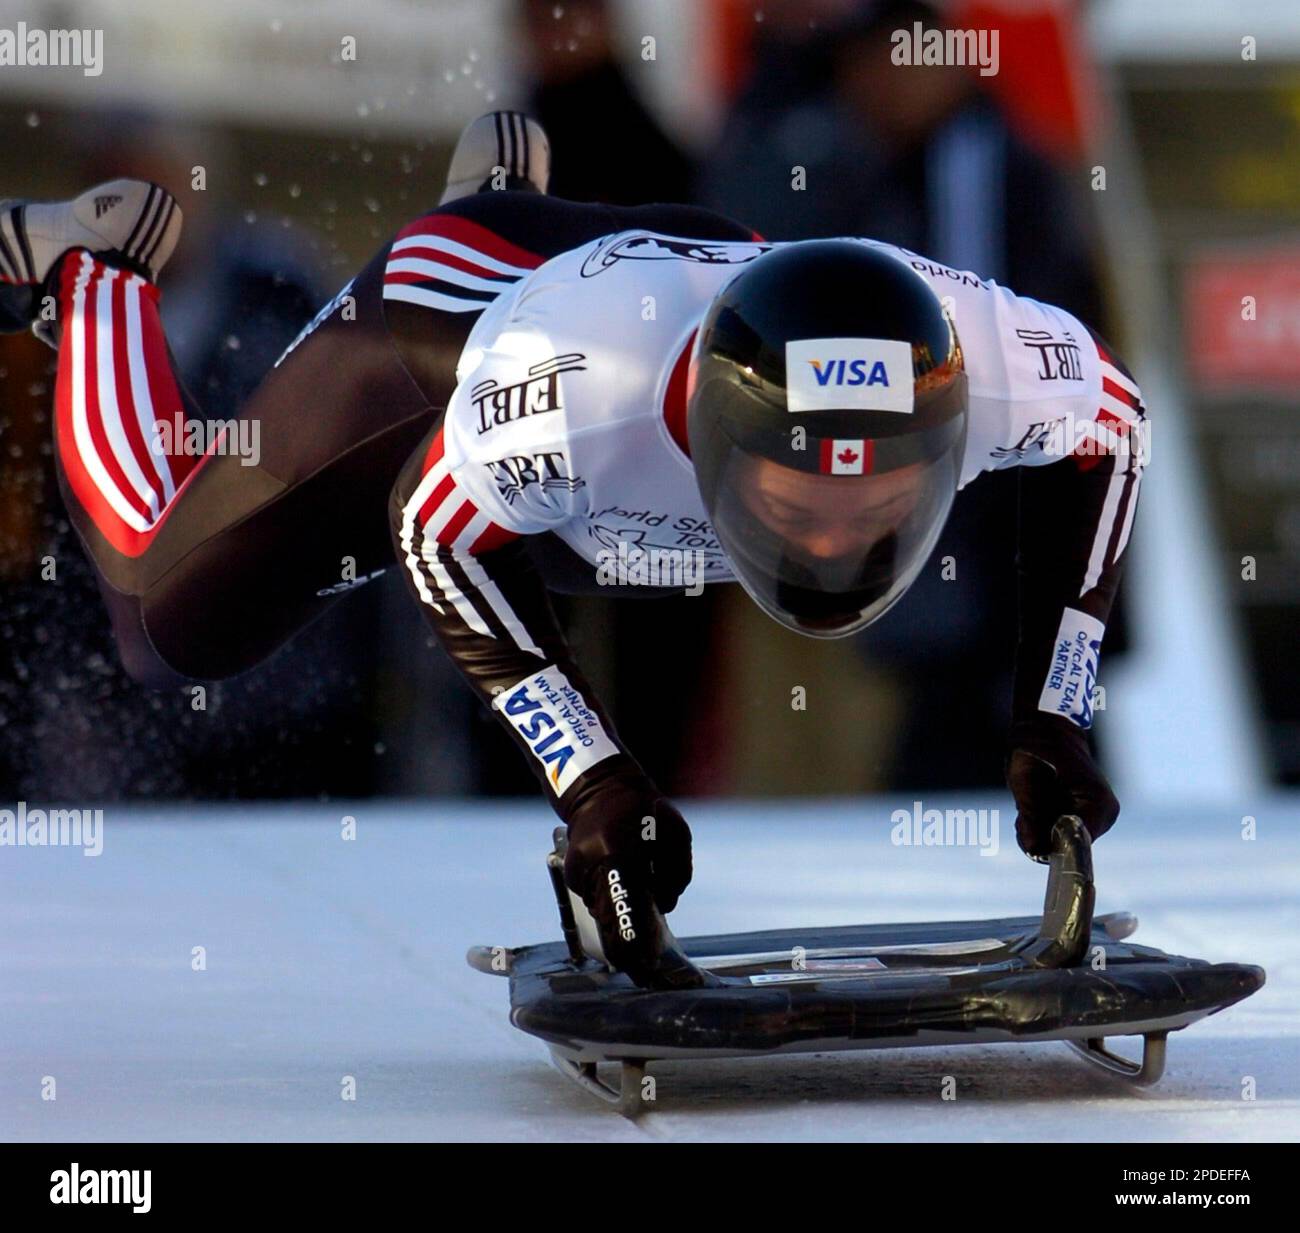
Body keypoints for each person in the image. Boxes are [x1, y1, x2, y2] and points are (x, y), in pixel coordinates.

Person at [0, 111, 1146, 986]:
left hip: (645, 295)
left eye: (884, 501)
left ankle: (505, 193)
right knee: (162, 621)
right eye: (799, 508)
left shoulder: (996, 358)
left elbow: (1117, 431)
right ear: (711, 435)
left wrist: (1055, 713)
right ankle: (94, 273)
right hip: (440, 344)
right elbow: (432, 532)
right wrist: (595, 781)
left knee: (561, 512)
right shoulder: (572, 401)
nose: (842, 538)